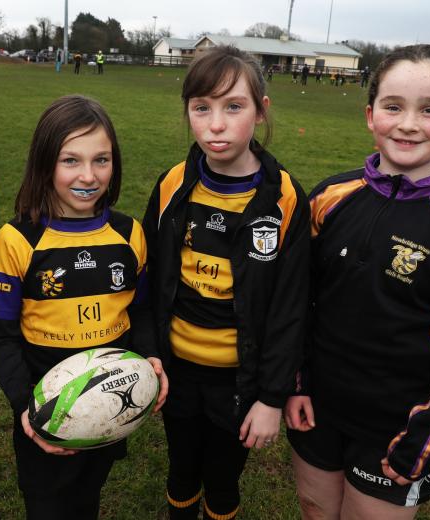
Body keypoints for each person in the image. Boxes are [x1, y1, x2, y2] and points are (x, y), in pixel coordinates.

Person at [285, 43, 430, 519]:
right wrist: (297, 382)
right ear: (370, 115)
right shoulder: (330, 196)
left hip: (398, 426)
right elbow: (298, 301)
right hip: (319, 406)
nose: (409, 124)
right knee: (314, 508)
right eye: (393, 107)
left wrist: (426, 437)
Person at [142, 45, 310, 520]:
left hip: (240, 379)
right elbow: (150, 280)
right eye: (202, 108)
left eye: (233, 107)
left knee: (221, 479)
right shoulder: (173, 184)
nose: (216, 125)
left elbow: (291, 307)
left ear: (261, 111)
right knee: (181, 469)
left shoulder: (285, 199)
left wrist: (271, 397)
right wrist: (151, 354)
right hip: (177, 371)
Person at [0, 94, 168, 520]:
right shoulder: (18, 240)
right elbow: (1, 335)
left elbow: (140, 310)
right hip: (46, 406)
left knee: (88, 495)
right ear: (44, 163)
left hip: (107, 400)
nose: (89, 176)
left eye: (101, 160)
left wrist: (150, 354)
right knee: (47, 504)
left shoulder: (129, 234)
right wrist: (26, 406)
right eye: (71, 160)